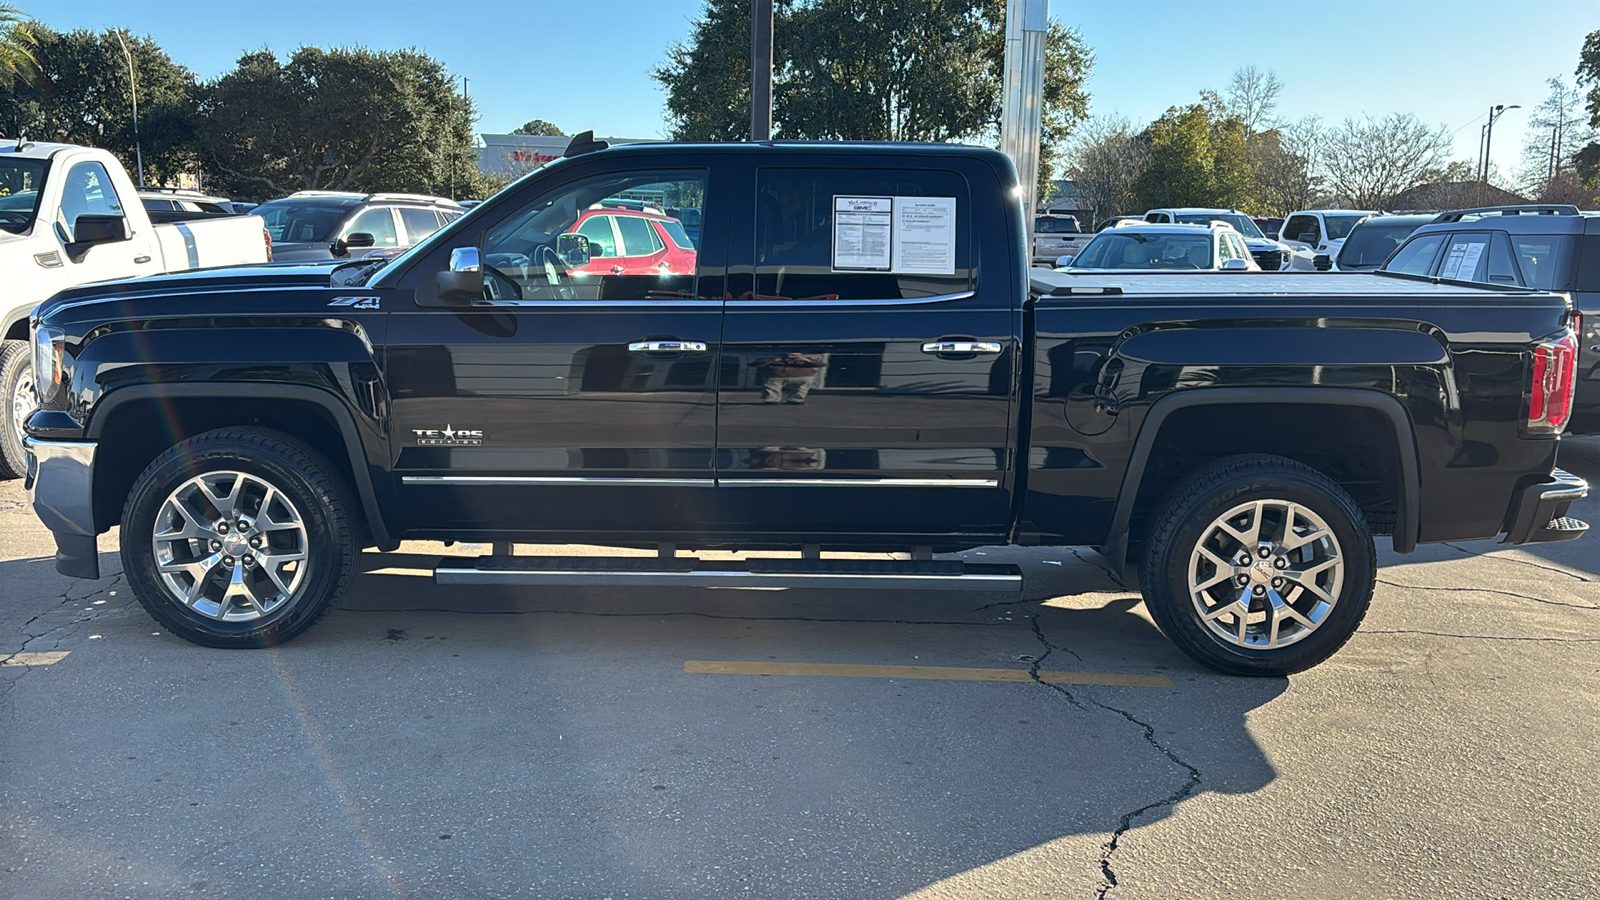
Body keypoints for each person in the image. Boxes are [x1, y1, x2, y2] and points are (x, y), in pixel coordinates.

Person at [752, 351, 827, 404]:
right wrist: (773, 360)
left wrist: (806, 360)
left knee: (802, 387)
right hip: (777, 376)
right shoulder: (775, 360)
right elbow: (755, 364)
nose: (792, 358)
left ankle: (796, 399)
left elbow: (822, 364)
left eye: (795, 356)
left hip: (801, 376)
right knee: (772, 387)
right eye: (790, 356)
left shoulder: (807, 360)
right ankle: (772, 400)